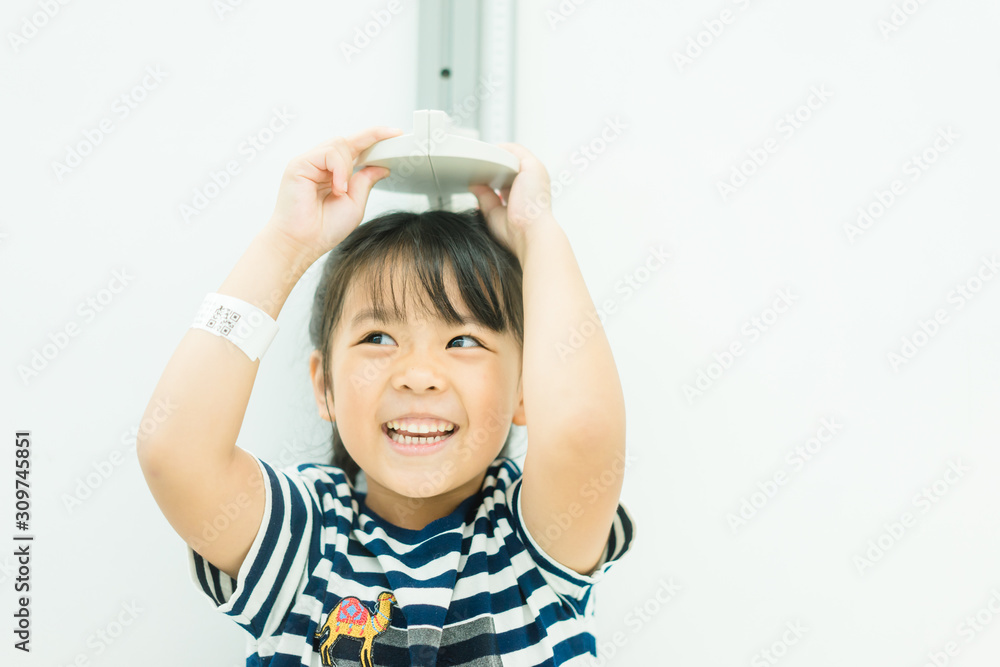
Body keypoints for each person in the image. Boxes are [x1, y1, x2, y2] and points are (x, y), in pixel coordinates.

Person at [137, 126, 637, 666]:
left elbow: (583, 430)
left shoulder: (536, 540)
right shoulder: (307, 541)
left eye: (462, 340)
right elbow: (175, 451)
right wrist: (286, 245)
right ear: (324, 386)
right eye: (378, 338)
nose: (418, 375)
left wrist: (540, 234)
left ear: (525, 393)